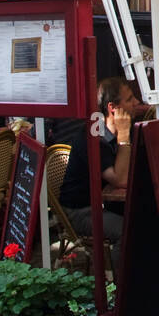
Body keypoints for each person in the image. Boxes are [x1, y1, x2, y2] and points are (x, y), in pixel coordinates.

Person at [58, 76, 138, 243]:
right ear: (113, 108)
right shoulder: (93, 137)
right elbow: (121, 179)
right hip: (82, 211)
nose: (136, 102)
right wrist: (124, 136)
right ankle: (121, 270)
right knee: (128, 233)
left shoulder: (114, 129)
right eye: (130, 99)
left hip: (106, 203)